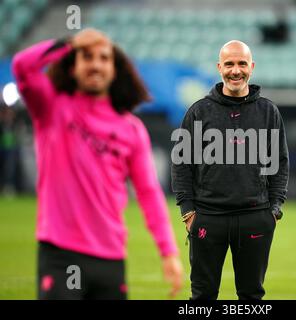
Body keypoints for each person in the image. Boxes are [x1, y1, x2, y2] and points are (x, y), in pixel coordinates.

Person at [12, 28, 183, 300]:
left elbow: (149, 193)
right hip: (61, 253)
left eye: (104, 58)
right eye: (87, 57)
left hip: (111, 259)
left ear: (115, 69)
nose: (95, 64)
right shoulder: (51, 107)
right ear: (72, 66)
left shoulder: (131, 128)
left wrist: (168, 251)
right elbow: (22, 67)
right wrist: (69, 44)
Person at [171, 40, 289, 300]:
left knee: (251, 297)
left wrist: (274, 209)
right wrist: (187, 211)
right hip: (207, 217)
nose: (236, 70)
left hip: (255, 217)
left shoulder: (268, 111)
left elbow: (279, 163)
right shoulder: (198, 111)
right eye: (229, 64)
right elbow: (181, 164)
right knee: (202, 296)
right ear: (219, 67)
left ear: (252, 67)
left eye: (242, 63)